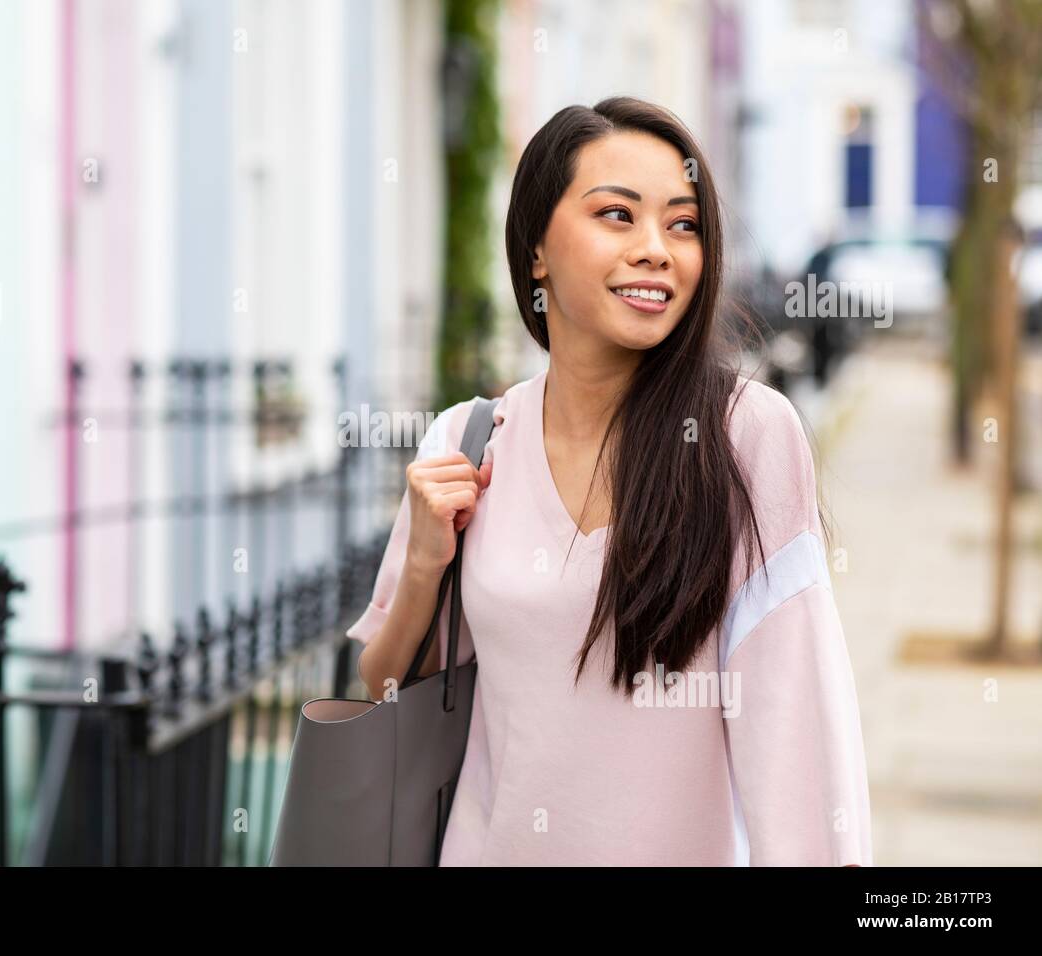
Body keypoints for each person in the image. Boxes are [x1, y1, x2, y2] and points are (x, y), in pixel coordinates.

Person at [347, 96, 872, 867]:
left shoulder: (746, 438)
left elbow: (798, 733)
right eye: (617, 215)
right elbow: (386, 683)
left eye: (683, 223)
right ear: (536, 250)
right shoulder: (468, 439)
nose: (657, 249)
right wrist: (426, 562)